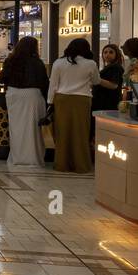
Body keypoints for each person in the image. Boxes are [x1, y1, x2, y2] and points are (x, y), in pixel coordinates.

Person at [48, 37, 101, 173]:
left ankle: (62, 164)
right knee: (81, 132)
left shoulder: (59, 63)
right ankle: (81, 165)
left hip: (62, 99)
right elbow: (96, 81)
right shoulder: (91, 63)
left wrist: (50, 102)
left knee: (62, 132)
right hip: (82, 100)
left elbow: (53, 85)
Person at [0, 36, 48, 171]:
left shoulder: (11, 61)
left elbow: (3, 77)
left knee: (16, 128)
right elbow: (44, 82)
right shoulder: (37, 63)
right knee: (33, 129)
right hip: (32, 95)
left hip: (14, 95)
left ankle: (17, 157)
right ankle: (33, 157)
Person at [92, 44, 124, 114]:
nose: (107, 54)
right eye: (105, 52)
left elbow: (114, 85)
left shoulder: (116, 67)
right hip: (102, 102)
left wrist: (97, 79)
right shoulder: (108, 67)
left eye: (111, 52)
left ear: (116, 54)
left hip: (108, 103)